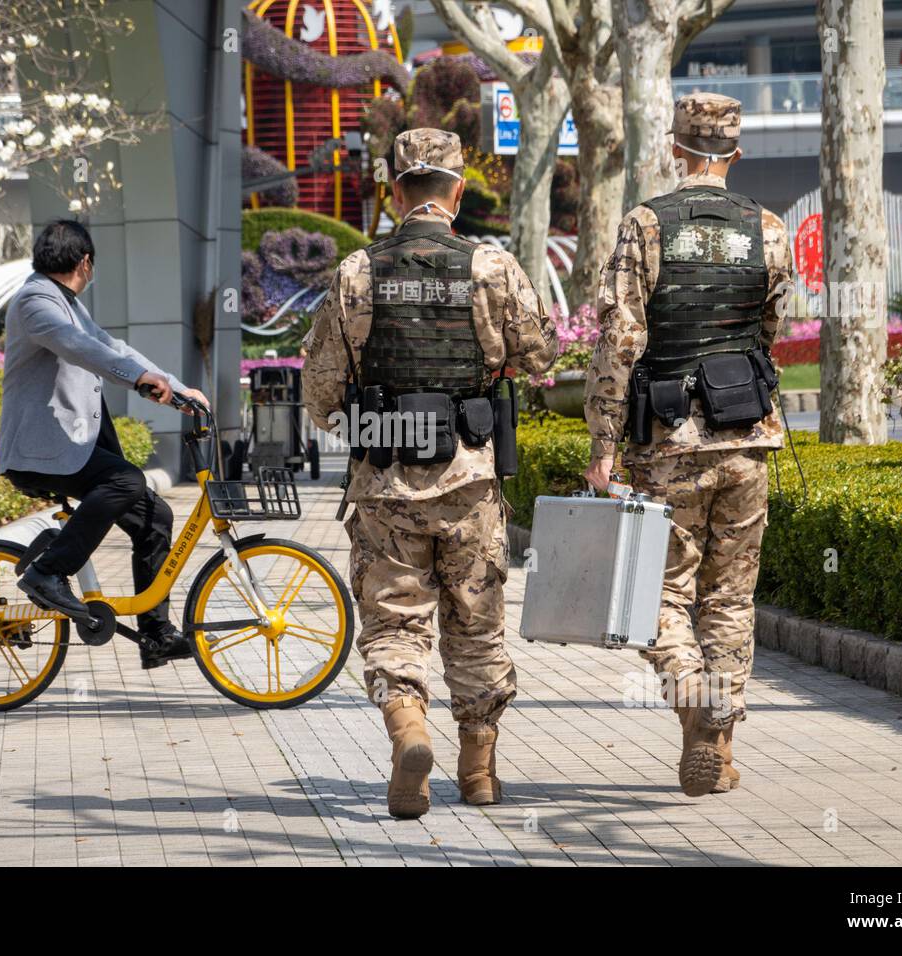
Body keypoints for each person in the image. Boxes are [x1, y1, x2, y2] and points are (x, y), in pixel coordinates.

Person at [302, 129, 558, 819]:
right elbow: (540, 353)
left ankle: (409, 735)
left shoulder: (358, 271)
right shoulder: (492, 266)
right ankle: (478, 772)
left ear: (393, 192)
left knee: (394, 623)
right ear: (458, 190)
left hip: (385, 482)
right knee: (475, 622)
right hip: (470, 478)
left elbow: (321, 392)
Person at [583, 93, 792, 797]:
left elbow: (620, 342)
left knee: (656, 595)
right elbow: (769, 332)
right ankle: (721, 741)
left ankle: (693, 697)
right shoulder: (767, 228)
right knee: (730, 598)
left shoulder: (645, 224)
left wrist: (602, 446)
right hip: (747, 436)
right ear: (735, 153)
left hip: (666, 443)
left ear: (676, 149)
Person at [0, 219, 209, 669]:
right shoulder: (36, 301)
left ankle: (154, 633)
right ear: (85, 262)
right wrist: (138, 379)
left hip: (67, 447)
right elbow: (79, 348)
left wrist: (178, 389)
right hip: (41, 452)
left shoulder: (66, 303)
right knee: (126, 479)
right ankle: (48, 572)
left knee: (157, 516)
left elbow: (112, 347)